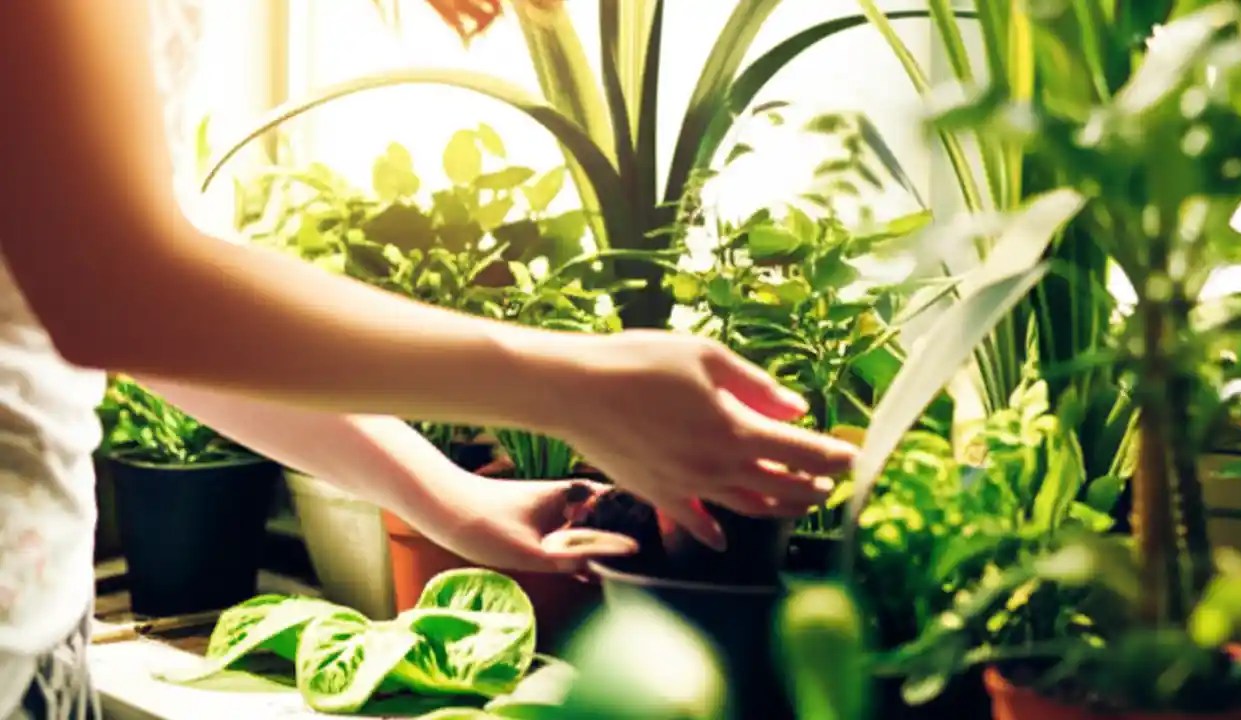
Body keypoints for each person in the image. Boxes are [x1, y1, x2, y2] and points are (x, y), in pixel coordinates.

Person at [0, 3, 857, 718]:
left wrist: (443, 493)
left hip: (36, 618)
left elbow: (118, 297)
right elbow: (109, 285)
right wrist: (572, 386)